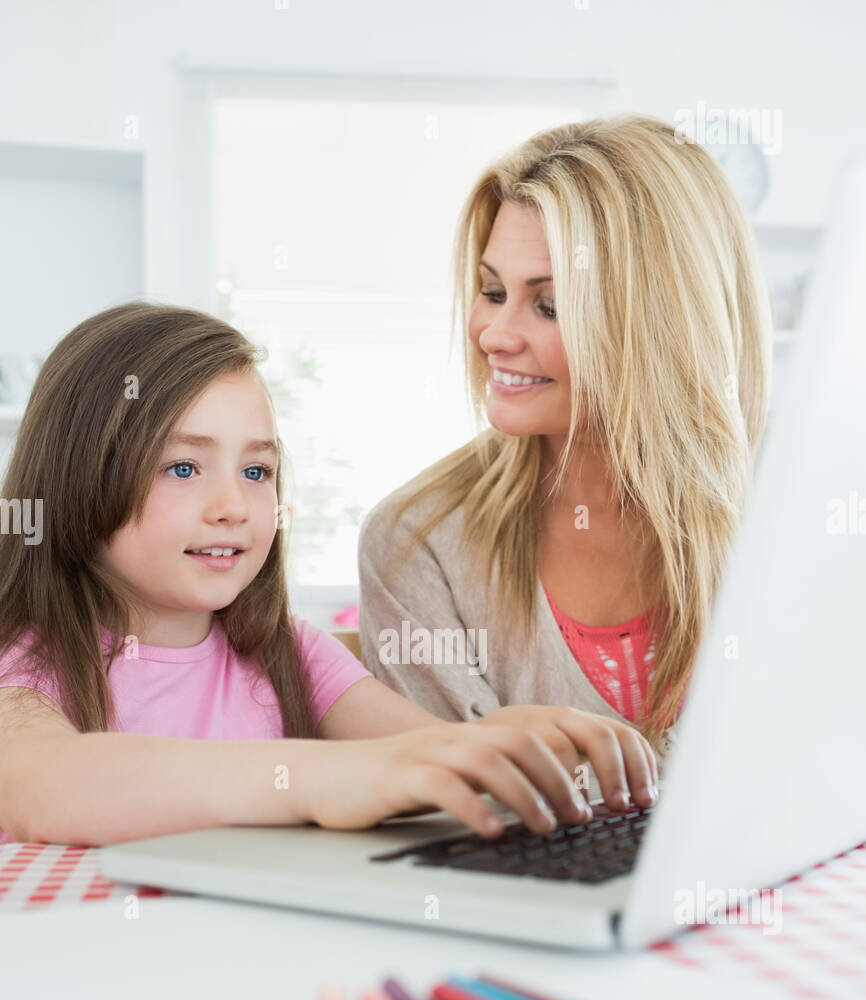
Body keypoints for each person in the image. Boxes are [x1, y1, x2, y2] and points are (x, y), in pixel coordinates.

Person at [0, 302, 658, 848]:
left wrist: (513, 748)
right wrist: (319, 777)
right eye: (183, 467)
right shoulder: (26, 665)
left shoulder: (290, 652)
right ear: (76, 478)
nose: (233, 507)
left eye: (256, 472)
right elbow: (43, 782)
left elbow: (425, 757)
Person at [358, 114, 773, 792]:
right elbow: (462, 811)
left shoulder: (780, 516)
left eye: (547, 306)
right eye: (493, 291)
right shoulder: (416, 542)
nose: (493, 333)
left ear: (660, 322)